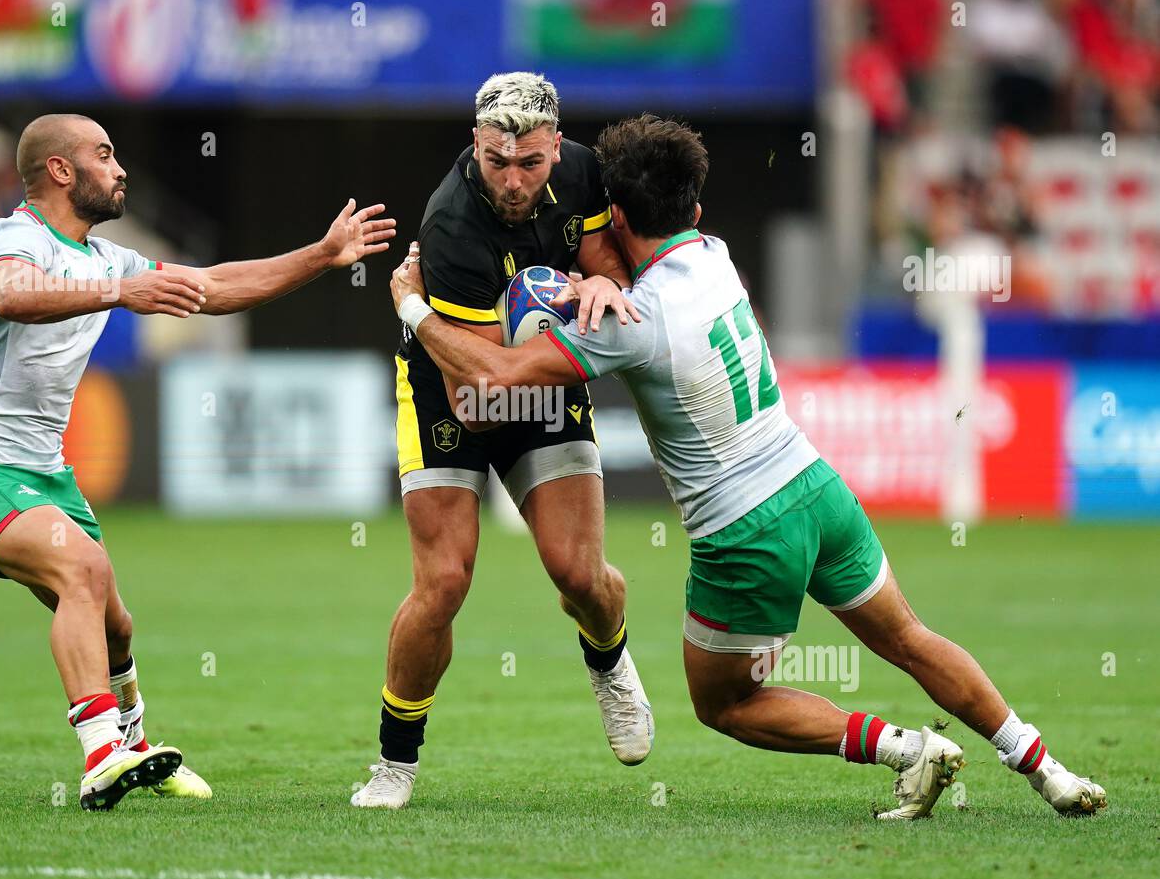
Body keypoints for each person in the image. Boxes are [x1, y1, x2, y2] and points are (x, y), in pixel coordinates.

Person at [389, 113, 1106, 819]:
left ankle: (904, 748)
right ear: (694, 209)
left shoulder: (627, 327)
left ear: (611, 215)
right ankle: (1047, 768)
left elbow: (493, 381)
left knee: (726, 703)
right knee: (910, 639)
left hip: (745, 530)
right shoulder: (715, 253)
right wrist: (594, 280)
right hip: (815, 485)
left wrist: (417, 310)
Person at [0, 113, 395, 810]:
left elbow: (214, 287)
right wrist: (119, 293)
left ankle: (137, 744)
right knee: (81, 570)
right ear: (60, 170)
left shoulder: (105, 256)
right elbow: (11, 296)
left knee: (114, 621)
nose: (120, 170)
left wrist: (320, 256)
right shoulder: (15, 237)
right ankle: (102, 754)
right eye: (105, 155)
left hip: (45, 475)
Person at [352, 73, 652, 809]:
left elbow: (607, 252)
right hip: (449, 386)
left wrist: (603, 283)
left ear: (556, 146)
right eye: (496, 162)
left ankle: (610, 664)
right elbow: (479, 398)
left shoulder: (584, 169)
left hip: (536, 368)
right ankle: (395, 764)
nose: (513, 181)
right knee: (445, 581)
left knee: (580, 576)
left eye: (530, 163)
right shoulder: (452, 223)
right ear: (474, 147)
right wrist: (420, 313)